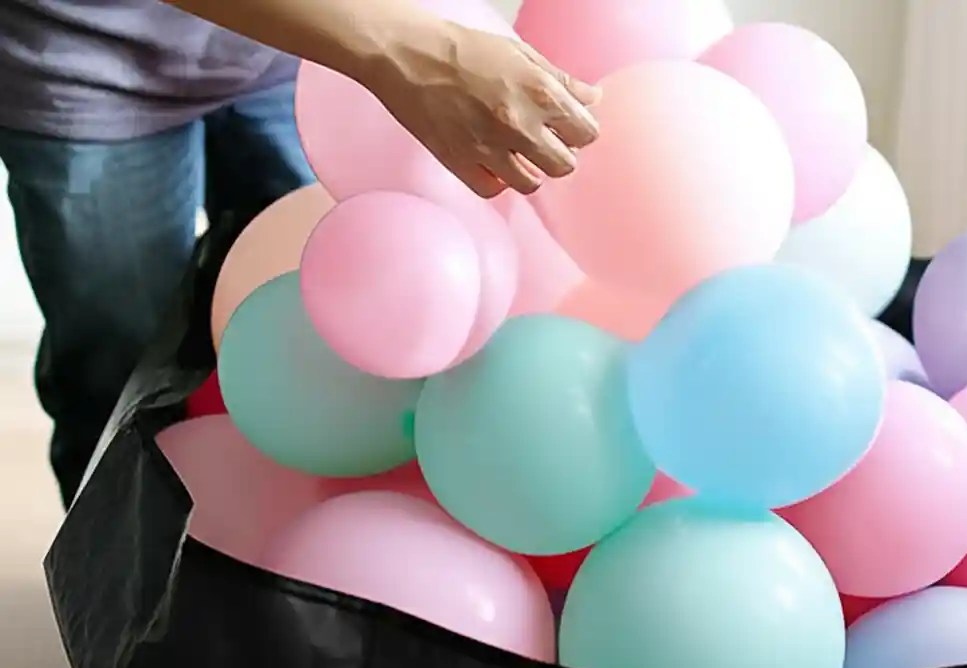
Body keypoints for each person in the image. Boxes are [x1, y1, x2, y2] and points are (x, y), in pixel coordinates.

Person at [0, 0, 600, 507]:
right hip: (82, 58)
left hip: (306, 49)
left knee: (332, 339)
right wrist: (406, 50)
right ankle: (120, 615)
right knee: (117, 370)